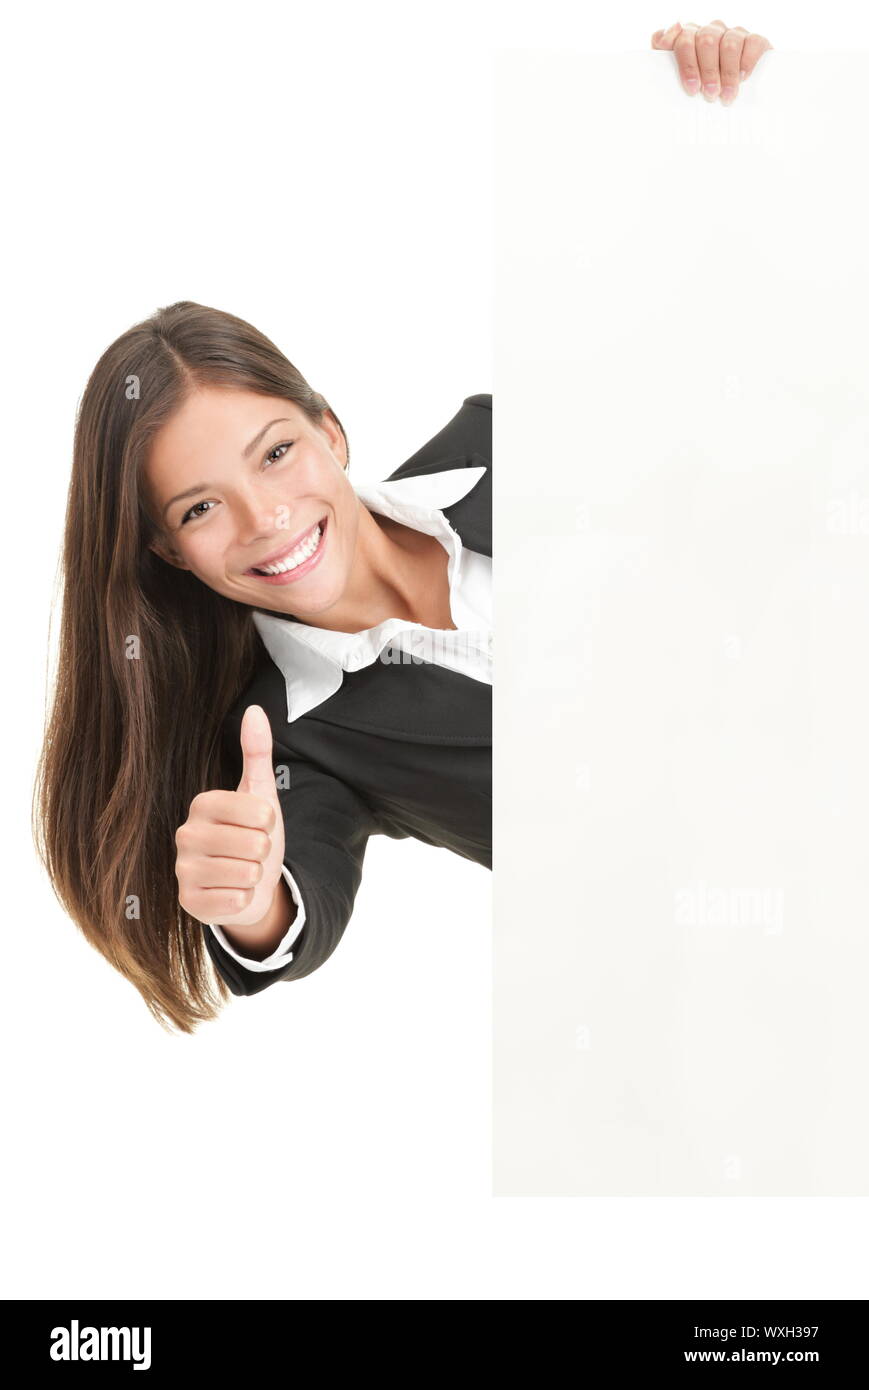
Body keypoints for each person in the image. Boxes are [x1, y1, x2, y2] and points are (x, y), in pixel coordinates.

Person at [33, 300, 491, 1033]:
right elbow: (296, 893)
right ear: (172, 553)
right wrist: (251, 902)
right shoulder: (286, 740)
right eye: (200, 509)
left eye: (276, 454)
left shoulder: (500, 436)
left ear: (329, 430)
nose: (265, 519)